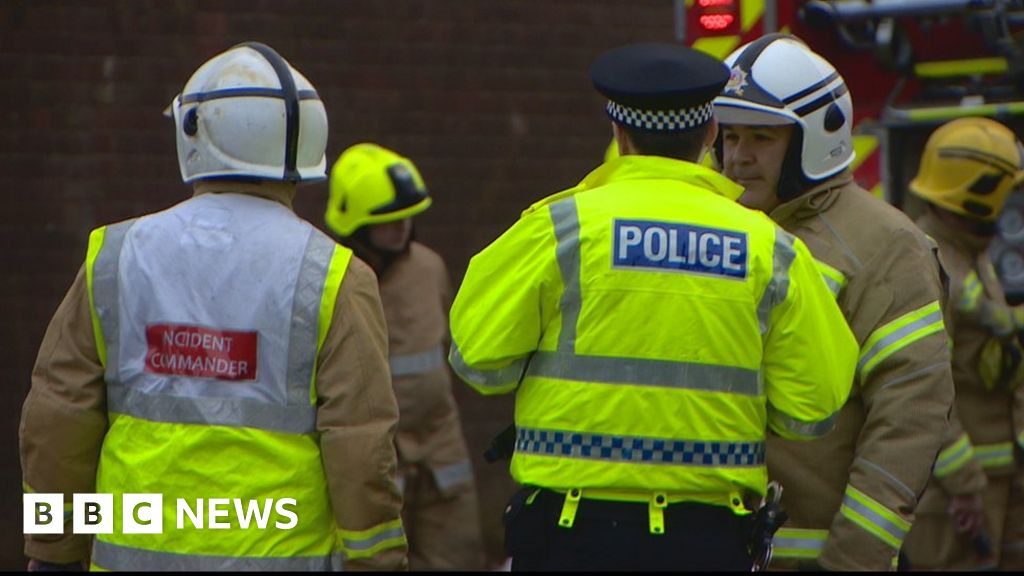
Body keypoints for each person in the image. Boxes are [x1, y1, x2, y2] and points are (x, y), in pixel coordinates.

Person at [447, 42, 858, 571]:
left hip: (568, 535)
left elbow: (478, 362)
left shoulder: (560, 229)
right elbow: (813, 411)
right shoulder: (770, 250)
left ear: (619, 135)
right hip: (707, 539)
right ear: (710, 135)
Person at [19, 43, 407, 571]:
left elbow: (58, 420)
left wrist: (52, 551)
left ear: (194, 133)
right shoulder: (335, 276)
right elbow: (361, 448)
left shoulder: (116, 257)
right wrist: (378, 561)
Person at [713, 33, 955, 570]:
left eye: (761, 138)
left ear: (812, 142)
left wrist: (852, 560)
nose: (737, 158)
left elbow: (908, 419)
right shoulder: (719, 228)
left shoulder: (885, 245)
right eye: (728, 136)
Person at [324, 143, 485, 570]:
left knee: (457, 558)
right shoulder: (334, 280)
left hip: (439, 452)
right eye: (387, 220)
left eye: (406, 217)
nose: (401, 228)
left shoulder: (429, 269)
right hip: (374, 457)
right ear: (355, 224)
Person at [900, 117, 1024, 570]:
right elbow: (927, 391)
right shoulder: (930, 262)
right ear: (979, 191)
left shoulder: (969, 253)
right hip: (958, 495)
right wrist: (964, 482)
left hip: (1000, 476)